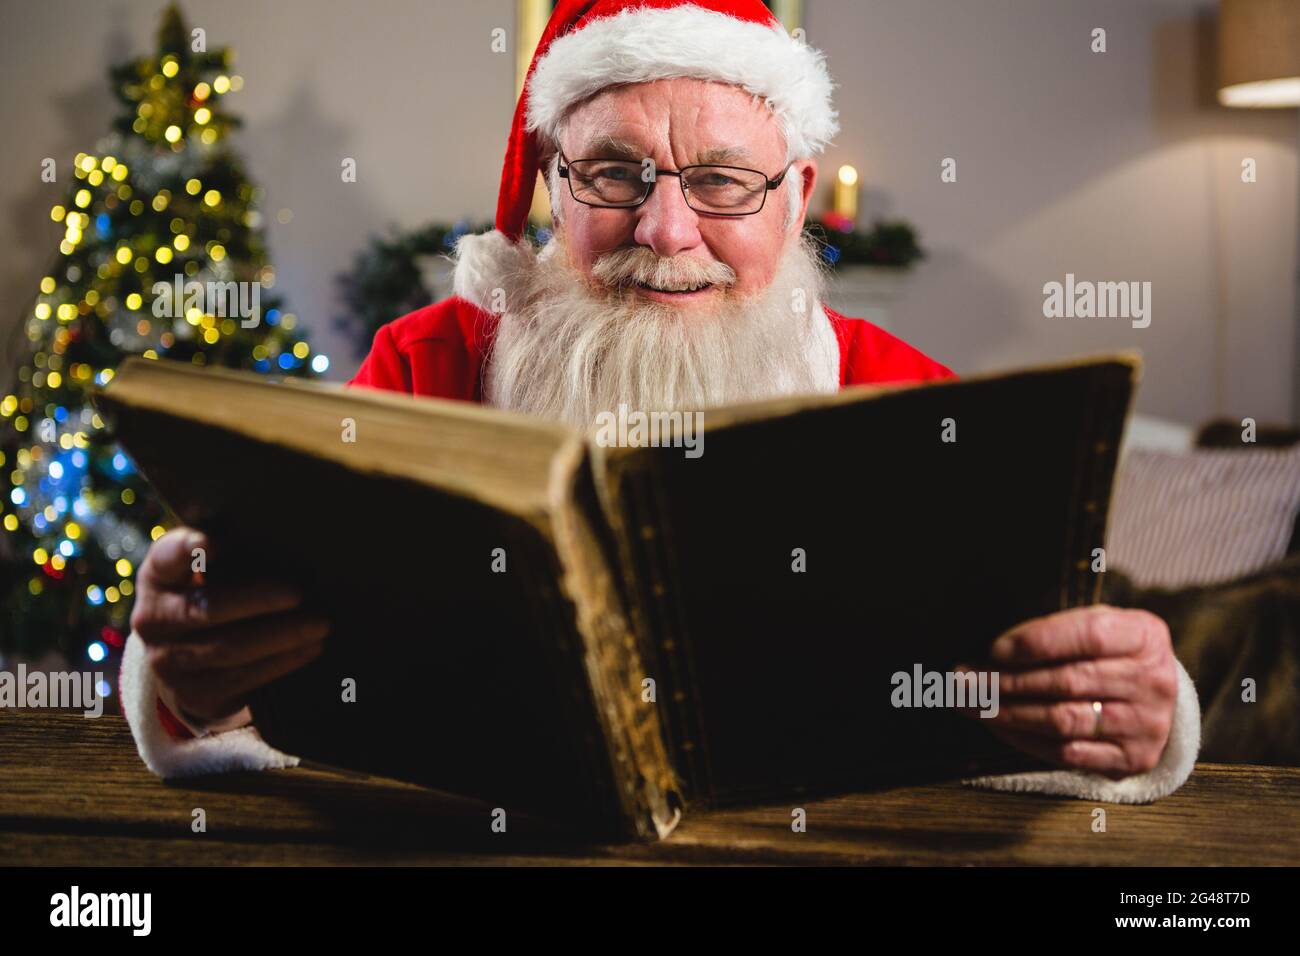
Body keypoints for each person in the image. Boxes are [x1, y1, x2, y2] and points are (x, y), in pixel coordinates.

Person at [120, 0, 1199, 801]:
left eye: (723, 181)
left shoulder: (906, 395)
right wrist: (191, 667)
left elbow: (1066, 676)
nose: (666, 230)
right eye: (613, 173)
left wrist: (1141, 715)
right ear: (553, 184)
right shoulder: (422, 366)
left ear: (798, 200)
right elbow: (246, 674)